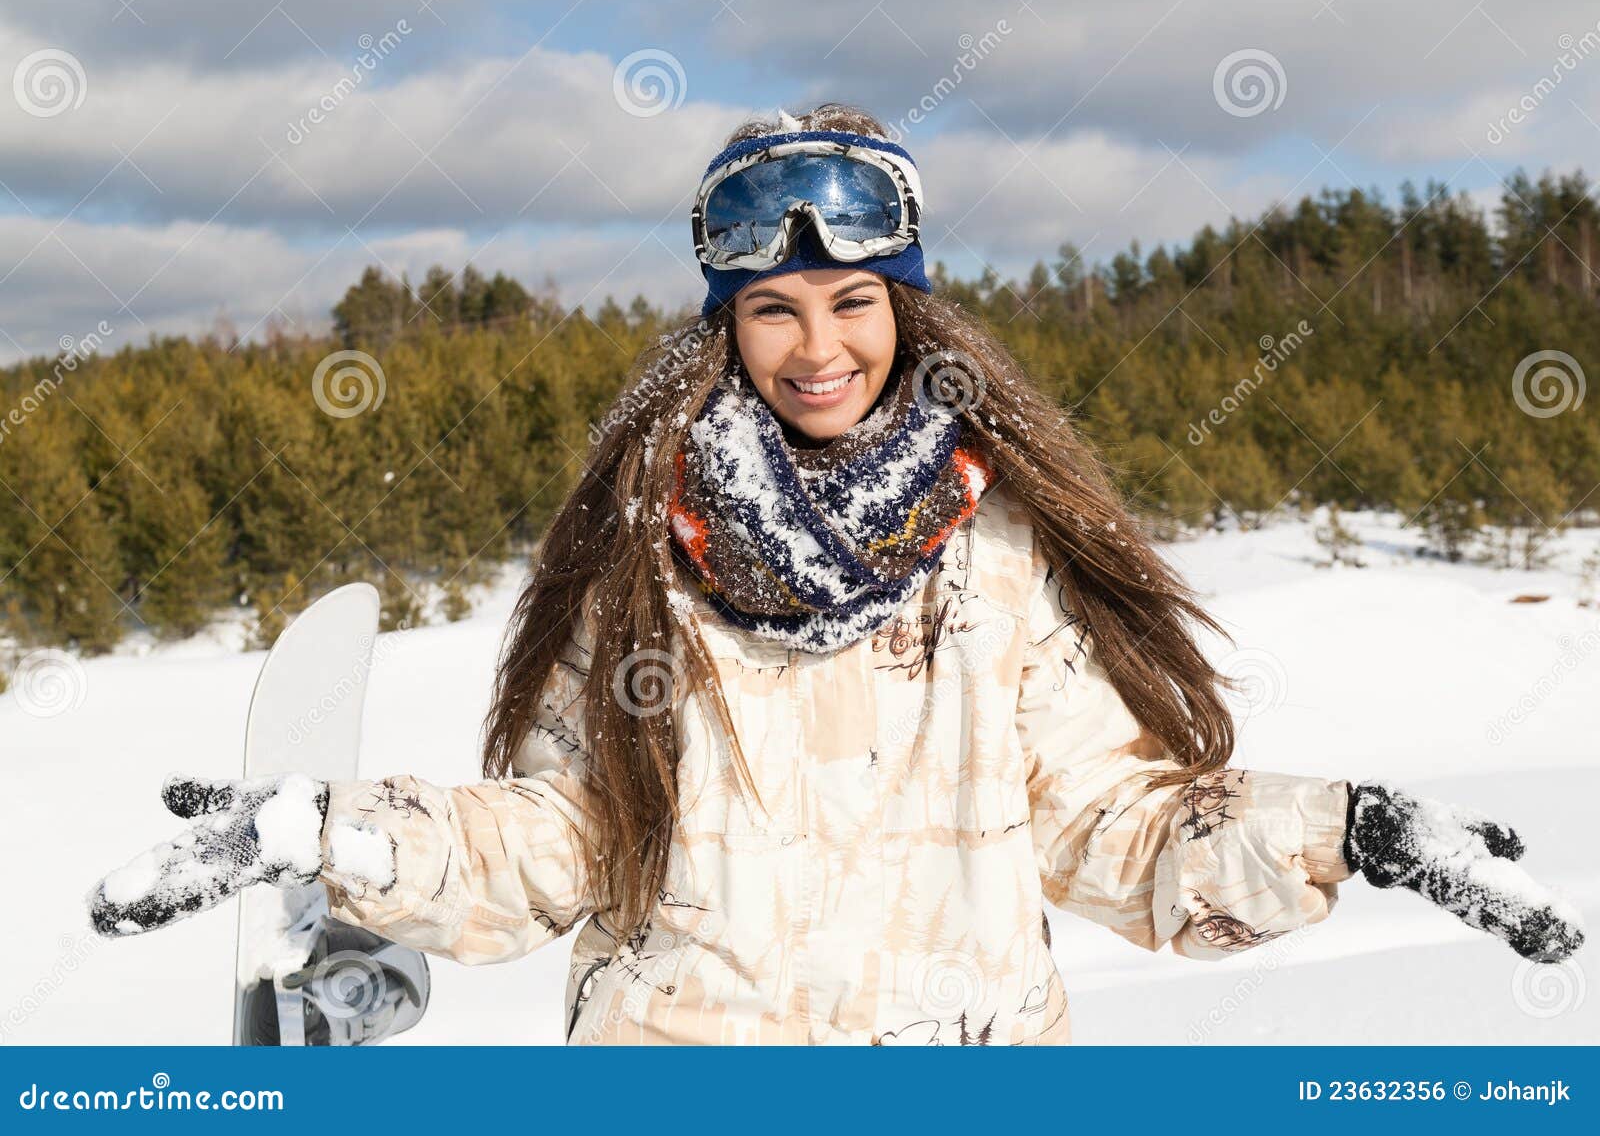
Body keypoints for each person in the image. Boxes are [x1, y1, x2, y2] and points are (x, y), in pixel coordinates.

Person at [87, 102, 1585, 1045]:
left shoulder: (997, 557)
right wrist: (339, 838)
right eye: (775, 310)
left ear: (906, 310)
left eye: (855, 301)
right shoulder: (642, 562)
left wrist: (1348, 833)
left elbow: (1113, 832)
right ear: (725, 326)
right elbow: (566, 840)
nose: (820, 349)